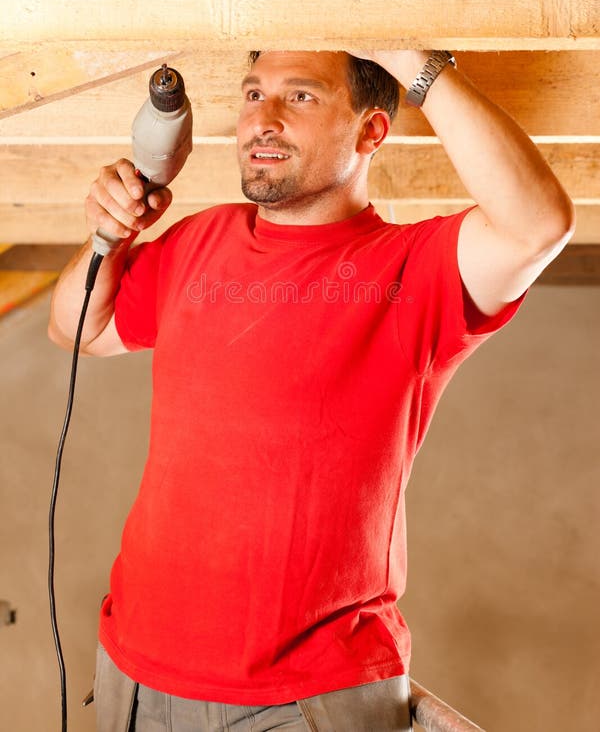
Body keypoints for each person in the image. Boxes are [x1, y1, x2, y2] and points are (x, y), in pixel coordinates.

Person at [48, 49, 574, 732]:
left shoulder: (412, 270)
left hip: (304, 701)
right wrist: (109, 233)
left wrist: (417, 64)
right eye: (252, 94)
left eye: (300, 98)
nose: (260, 120)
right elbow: (80, 331)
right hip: (136, 677)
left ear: (371, 132)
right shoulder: (196, 243)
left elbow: (537, 224)